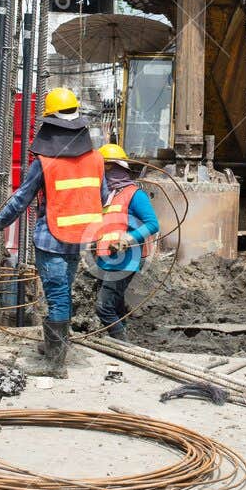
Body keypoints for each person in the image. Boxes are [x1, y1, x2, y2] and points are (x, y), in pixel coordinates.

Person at [0, 87, 102, 377]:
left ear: (50, 124)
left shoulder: (45, 163)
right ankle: (53, 346)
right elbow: (101, 196)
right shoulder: (96, 158)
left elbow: (19, 201)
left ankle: (55, 364)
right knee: (62, 292)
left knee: (57, 297)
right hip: (78, 238)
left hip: (51, 240)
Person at [89, 144, 161, 342]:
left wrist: (128, 239)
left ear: (112, 167)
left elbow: (152, 224)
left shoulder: (134, 194)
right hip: (106, 260)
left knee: (104, 307)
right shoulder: (108, 195)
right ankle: (122, 338)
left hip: (125, 260)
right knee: (116, 304)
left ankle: (122, 344)